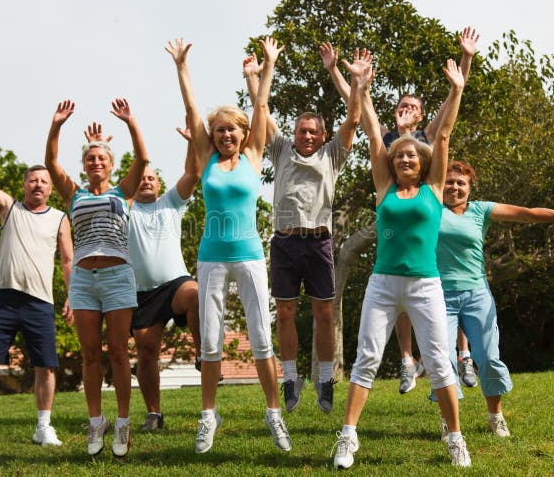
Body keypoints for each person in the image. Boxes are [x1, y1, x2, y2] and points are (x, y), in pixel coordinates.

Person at [321, 27, 481, 394]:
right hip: (394, 223)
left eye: (413, 106)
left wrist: (466, 60)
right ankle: (408, 360)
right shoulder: (386, 145)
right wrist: (342, 75)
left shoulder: (425, 138)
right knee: (396, 289)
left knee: (442, 285)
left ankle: (461, 355)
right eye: (401, 106)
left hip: (425, 224)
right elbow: (360, 110)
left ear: (422, 114)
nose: (406, 109)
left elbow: (450, 113)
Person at [332, 51, 472, 469]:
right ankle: (347, 437)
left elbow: (443, 134)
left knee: (439, 360)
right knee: (367, 359)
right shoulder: (384, 189)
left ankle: (456, 438)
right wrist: (361, 86)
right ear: (392, 163)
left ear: (423, 162)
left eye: (412, 155)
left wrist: (456, 88)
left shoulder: (433, 186)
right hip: (383, 284)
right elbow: (374, 132)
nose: (405, 158)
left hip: (426, 284)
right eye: (399, 156)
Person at [166, 37, 291, 454]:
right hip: (212, 259)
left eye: (231, 129)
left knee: (260, 337)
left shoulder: (255, 154)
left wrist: (267, 67)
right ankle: (208, 415)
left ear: (243, 133)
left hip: (251, 257)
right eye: (219, 130)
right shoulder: (206, 160)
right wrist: (182, 67)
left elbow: (261, 108)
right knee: (211, 341)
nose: (225, 135)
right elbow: (191, 110)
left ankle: (274, 413)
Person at [241, 46, 359, 414]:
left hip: (319, 242)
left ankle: (326, 378)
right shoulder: (279, 149)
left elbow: (354, 119)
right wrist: (252, 77)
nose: (307, 136)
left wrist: (351, 77)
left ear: (323, 136)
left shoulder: (332, 154)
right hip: (285, 243)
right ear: (293, 134)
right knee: (287, 311)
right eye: (301, 131)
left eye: (313, 132)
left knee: (324, 313)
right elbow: (261, 111)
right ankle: (290, 376)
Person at [433, 160, 554, 439]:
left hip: (477, 294)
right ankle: (449, 420)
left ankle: (496, 417)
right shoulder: (430, 208)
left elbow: (526, 214)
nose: (454, 187)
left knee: (489, 357)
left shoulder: (481, 210)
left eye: (460, 182)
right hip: (439, 296)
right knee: (442, 360)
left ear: (470, 187)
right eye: (449, 181)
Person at [0, 113, 73, 452]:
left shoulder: (59, 218)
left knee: (47, 367)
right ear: (24, 185)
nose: (38, 184)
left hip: (40, 301)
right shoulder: (9, 209)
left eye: (44, 181)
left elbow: (68, 260)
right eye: (32, 180)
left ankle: (43, 427)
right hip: (4, 300)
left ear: (51, 189)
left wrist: (72, 295)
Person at [45, 98, 148, 457]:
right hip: (84, 282)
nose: (96, 162)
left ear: (110, 164)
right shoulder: (74, 194)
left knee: (118, 353)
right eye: (90, 158)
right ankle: (95, 422)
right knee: (90, 354)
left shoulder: (124, 193)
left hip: (118, 276)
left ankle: (122, 422)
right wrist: (57, 125)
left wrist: (131, 122)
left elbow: (143, 160)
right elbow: (50, 164)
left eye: (101, 158)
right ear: (85, 166)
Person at [84, 120, 201, 432]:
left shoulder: (171, 204)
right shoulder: (125, 208)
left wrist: (191, 142)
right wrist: (101, 148)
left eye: (152, 178)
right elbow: (103, 186)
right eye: (142, 178)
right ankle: (154, 413)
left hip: (174, 284)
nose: (147, 181)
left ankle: (203, 353)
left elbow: (192, 173)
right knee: (147, 354)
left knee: (197, 294)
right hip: (138, 293)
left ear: (160, 185)